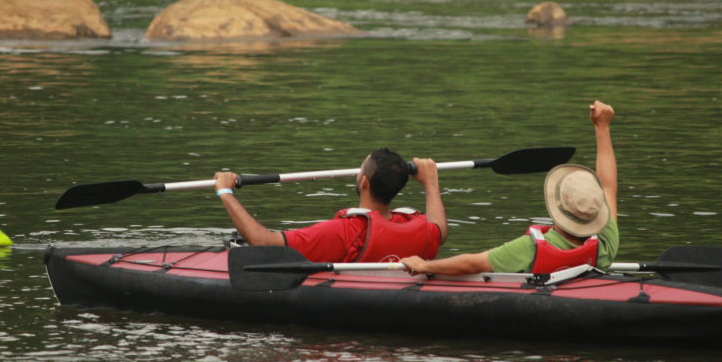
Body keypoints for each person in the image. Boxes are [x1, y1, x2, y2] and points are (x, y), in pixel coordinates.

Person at [402, 100, 617, 276]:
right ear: (597, 211)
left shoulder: (529, 249)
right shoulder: (606, 243)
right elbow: (608, 185)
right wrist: (603, 128)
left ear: (558, 205)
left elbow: (471, 264)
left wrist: (424, 265)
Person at [213, 148, 447, 263]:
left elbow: (263, 241)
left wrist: (226, 192)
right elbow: (440, 229)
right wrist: (430, 182)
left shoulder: (343, 232)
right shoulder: (418, 227)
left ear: (364, 182)